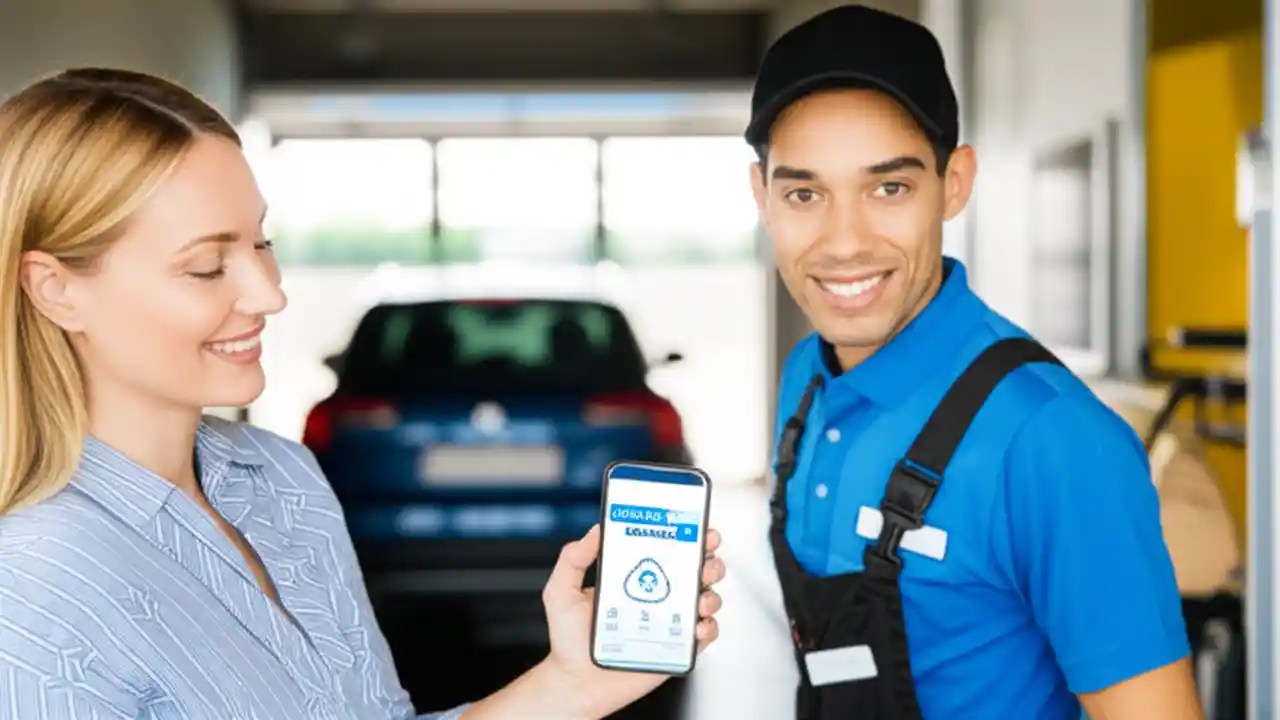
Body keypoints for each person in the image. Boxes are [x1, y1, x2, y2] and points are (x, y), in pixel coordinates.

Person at [0, 68, 725, 719]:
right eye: (206, 268)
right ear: (56, 290)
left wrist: (574, 684)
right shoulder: (28, 587)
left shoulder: (281, 479)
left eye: (260, 244)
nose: (269, 294)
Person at [748, 5, 1201, 720]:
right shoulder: (806, 380)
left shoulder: (1052, 440)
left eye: (888, 188)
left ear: (953, 184)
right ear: (762, 196)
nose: (842, 242)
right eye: (805, 193)